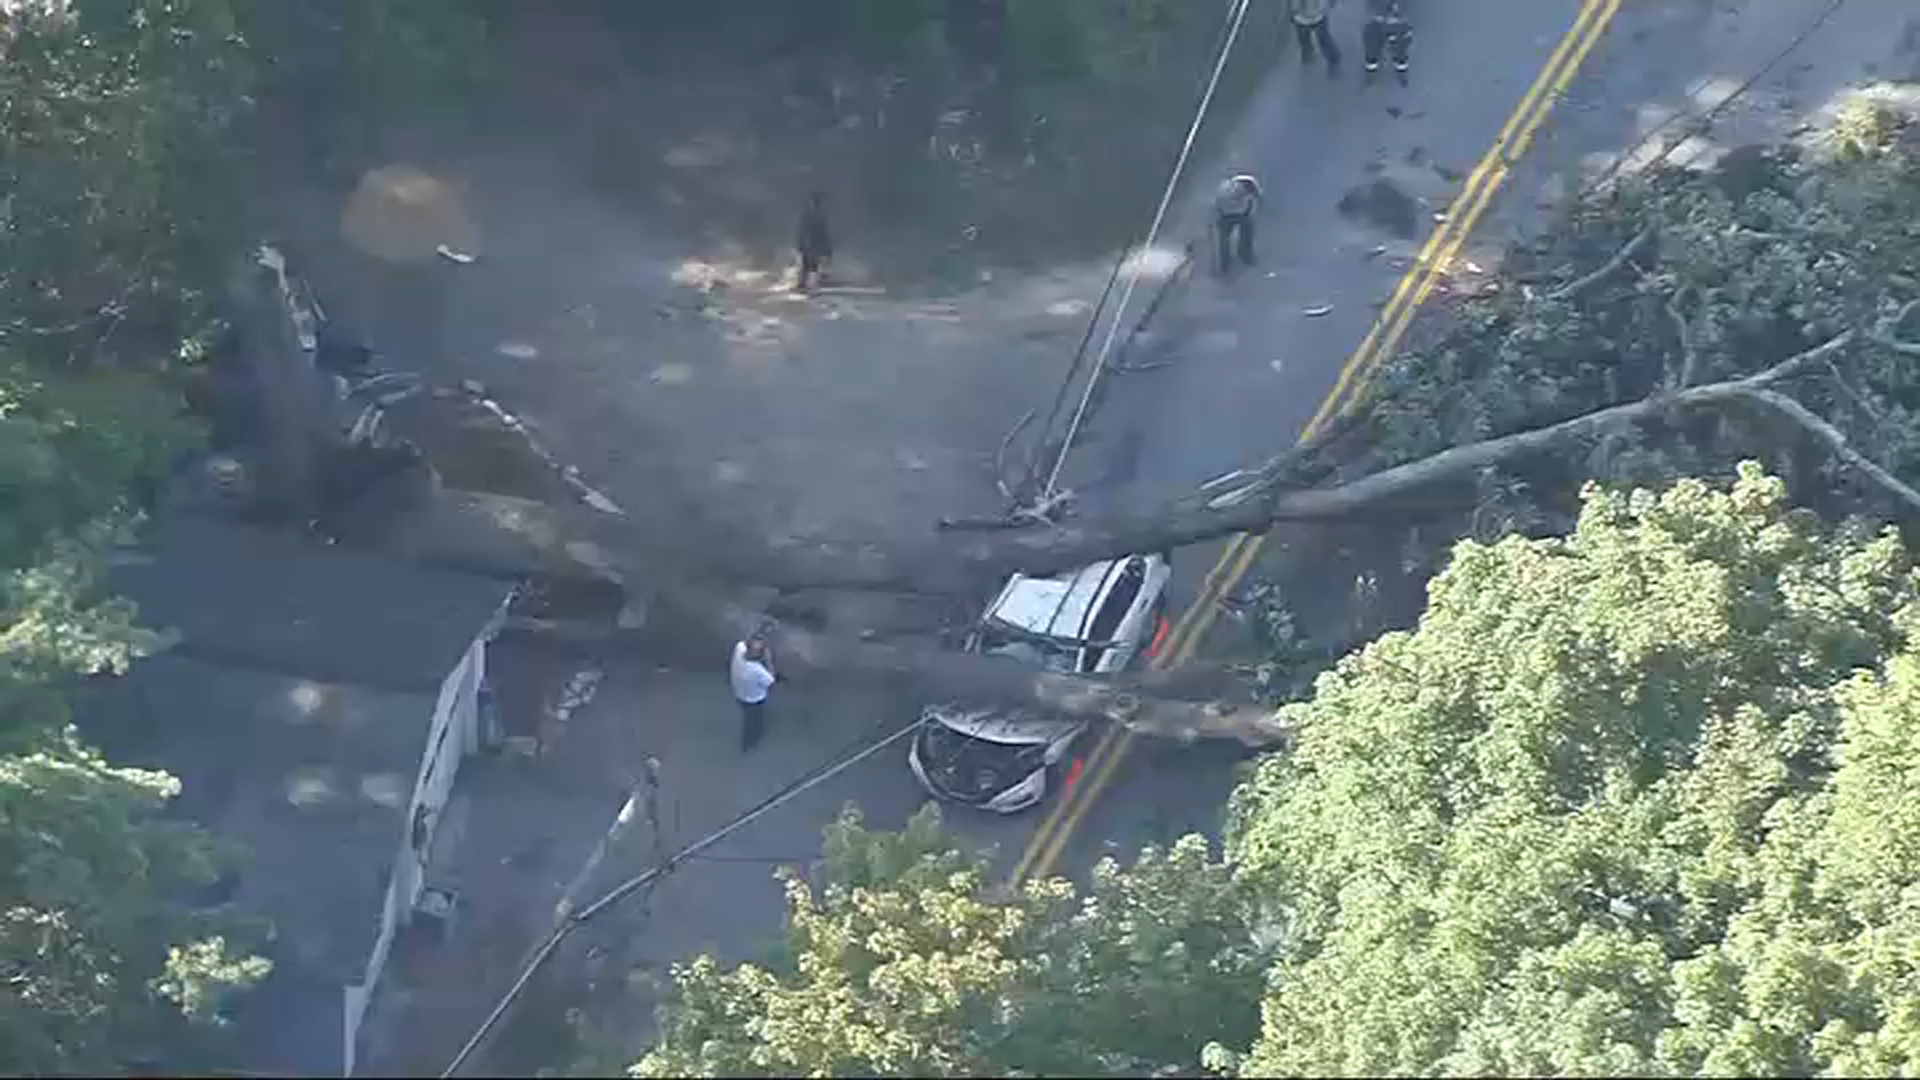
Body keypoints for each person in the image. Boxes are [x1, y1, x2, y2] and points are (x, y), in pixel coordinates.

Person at [730, 633, 778, 751]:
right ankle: (751, 741)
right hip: (754, 699)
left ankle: (747, 743)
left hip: (740, 693)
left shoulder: (739, 648)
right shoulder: (757, 670)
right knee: (753, 721)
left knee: (748, 719)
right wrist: (769, 660)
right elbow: (771, 682)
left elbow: (744, 641)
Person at [1213, 173, 1264, 275]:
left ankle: (1227, 263)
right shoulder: (1246, 183)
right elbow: (1257, 197)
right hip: (1232, 213)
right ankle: (1243, 256)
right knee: (1244, 229)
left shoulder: (1227, 185)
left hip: (1226, 213)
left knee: (1225, 238)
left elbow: (1217, 204)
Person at [1362, 0, 1413, 87]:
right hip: (1377, 22)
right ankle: (1371, 70)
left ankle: (1401, 70)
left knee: (1400, 49)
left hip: (1397, 23)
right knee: (1372, 48)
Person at [1288, 0, 1341, 76]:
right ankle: (1309, 63)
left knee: (1321, 41)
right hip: (1308, 17)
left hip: (1313, 16)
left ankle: (1333, 62)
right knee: (1311, 42)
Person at [795, 191, 834, 293]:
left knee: (810, 265)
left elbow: (822, 232)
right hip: (810, 244)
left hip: (811, 244)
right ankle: (806, 285)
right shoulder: (814, 215)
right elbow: (804, 230)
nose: (813, 203)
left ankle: (806, 285)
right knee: (809, 265)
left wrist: (826, 247)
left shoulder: (813, 215)